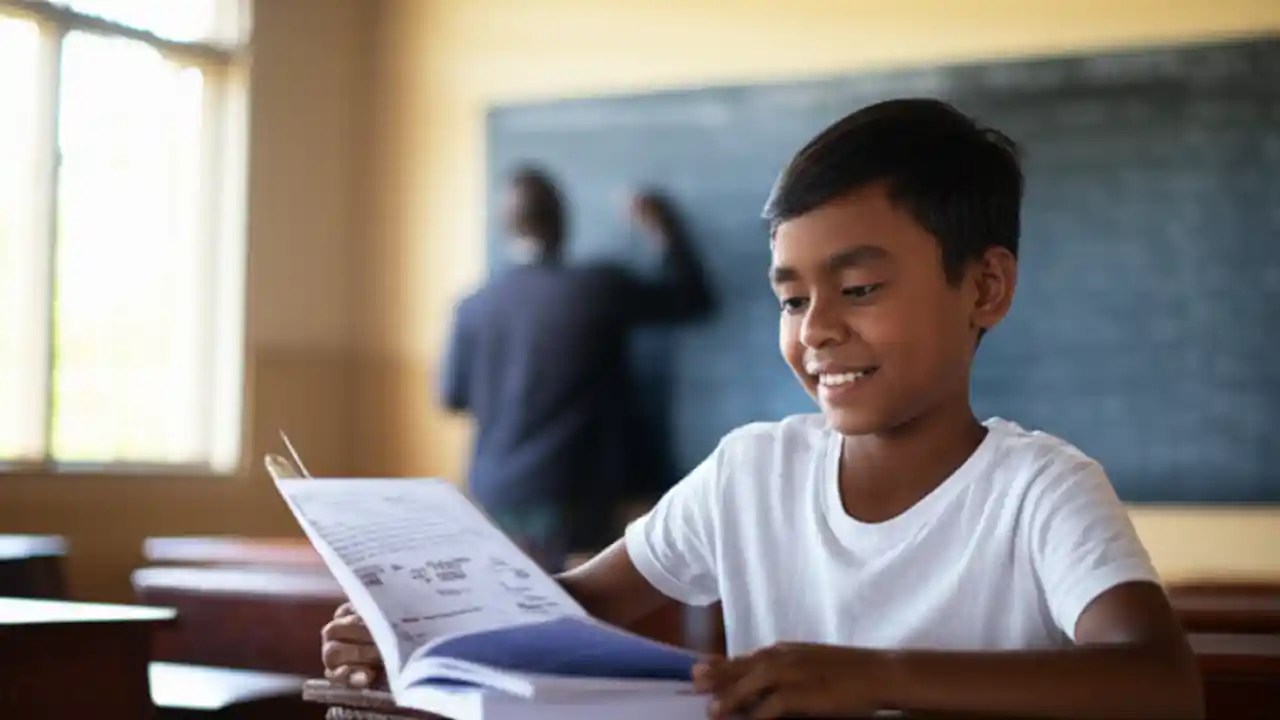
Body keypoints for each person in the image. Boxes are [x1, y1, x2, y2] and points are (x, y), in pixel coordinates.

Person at [323, 100, 1203, 718]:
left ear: (986, 286)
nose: (817, 329)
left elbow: (1160, 685)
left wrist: (874, 678)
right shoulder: (752, 472)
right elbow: (571, 608)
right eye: (790, 299)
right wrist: (420, 635)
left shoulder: (1039, 491)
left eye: (857, 287)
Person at [438, 168, 711, 571]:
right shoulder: (597, 289)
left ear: (505, 225)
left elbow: (452, 398)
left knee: (504, 606)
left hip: (492, 491)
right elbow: (693, 299)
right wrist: (663, 227)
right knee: (573, 612)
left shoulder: (473, 306)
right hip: (572, 494)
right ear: (562, 221)